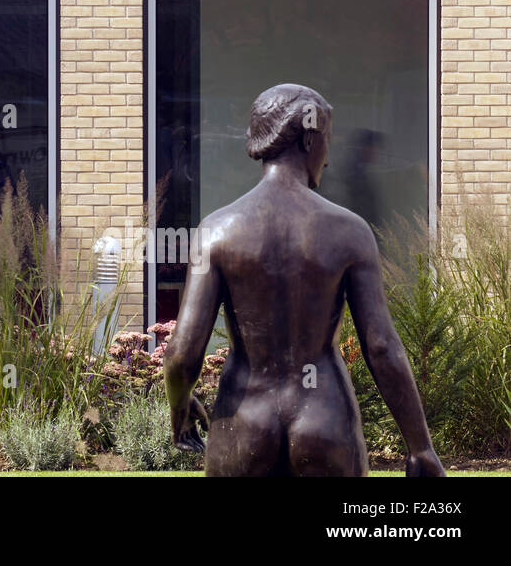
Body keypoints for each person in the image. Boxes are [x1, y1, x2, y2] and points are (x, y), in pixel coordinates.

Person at [164, 83, 444, 477]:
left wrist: (180, 407)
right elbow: (380, 347)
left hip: (243, 424)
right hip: (325, 420)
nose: (327, 161)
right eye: (327, 141)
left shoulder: (216, 230)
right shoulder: (350, 231)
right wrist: (420, 449)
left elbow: (182, 353)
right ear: (310, 139)